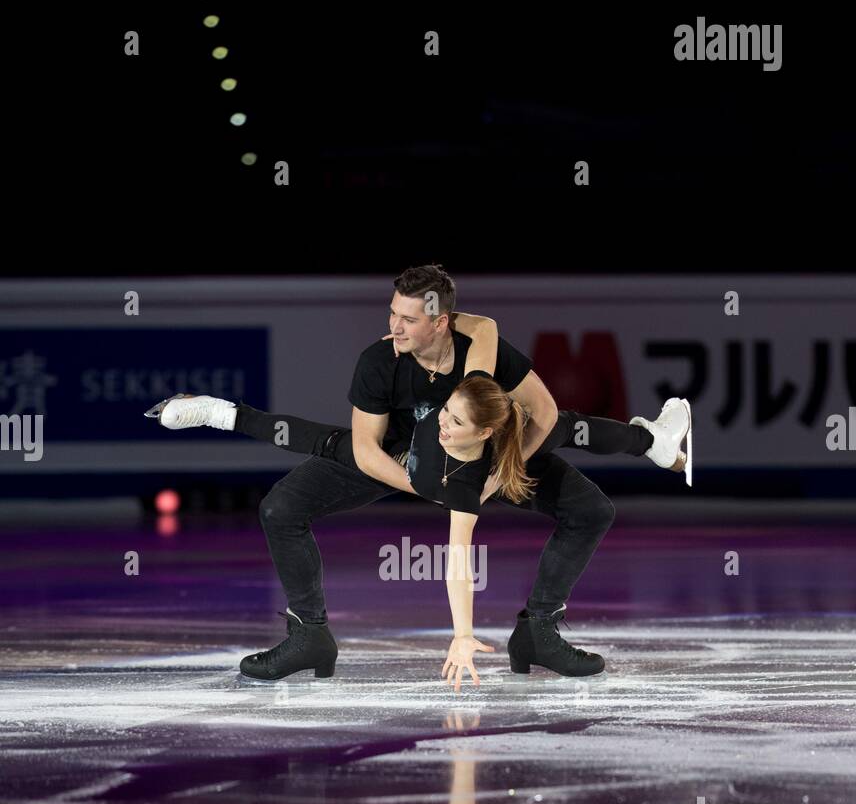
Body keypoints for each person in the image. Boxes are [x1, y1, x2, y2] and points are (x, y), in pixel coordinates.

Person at [145, 278, 690, 692]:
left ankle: (537, 631)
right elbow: (361, 449)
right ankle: (308, 633)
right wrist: (425, 483)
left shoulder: (482, 359)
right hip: (394, 459)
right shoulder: (381, 361)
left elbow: (544, 415)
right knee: (282, 505)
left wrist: (497, 472)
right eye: (393, 314)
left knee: (589, 500)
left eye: (409, 318)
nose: (395, 327)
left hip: (485, 456)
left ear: (442, 322)